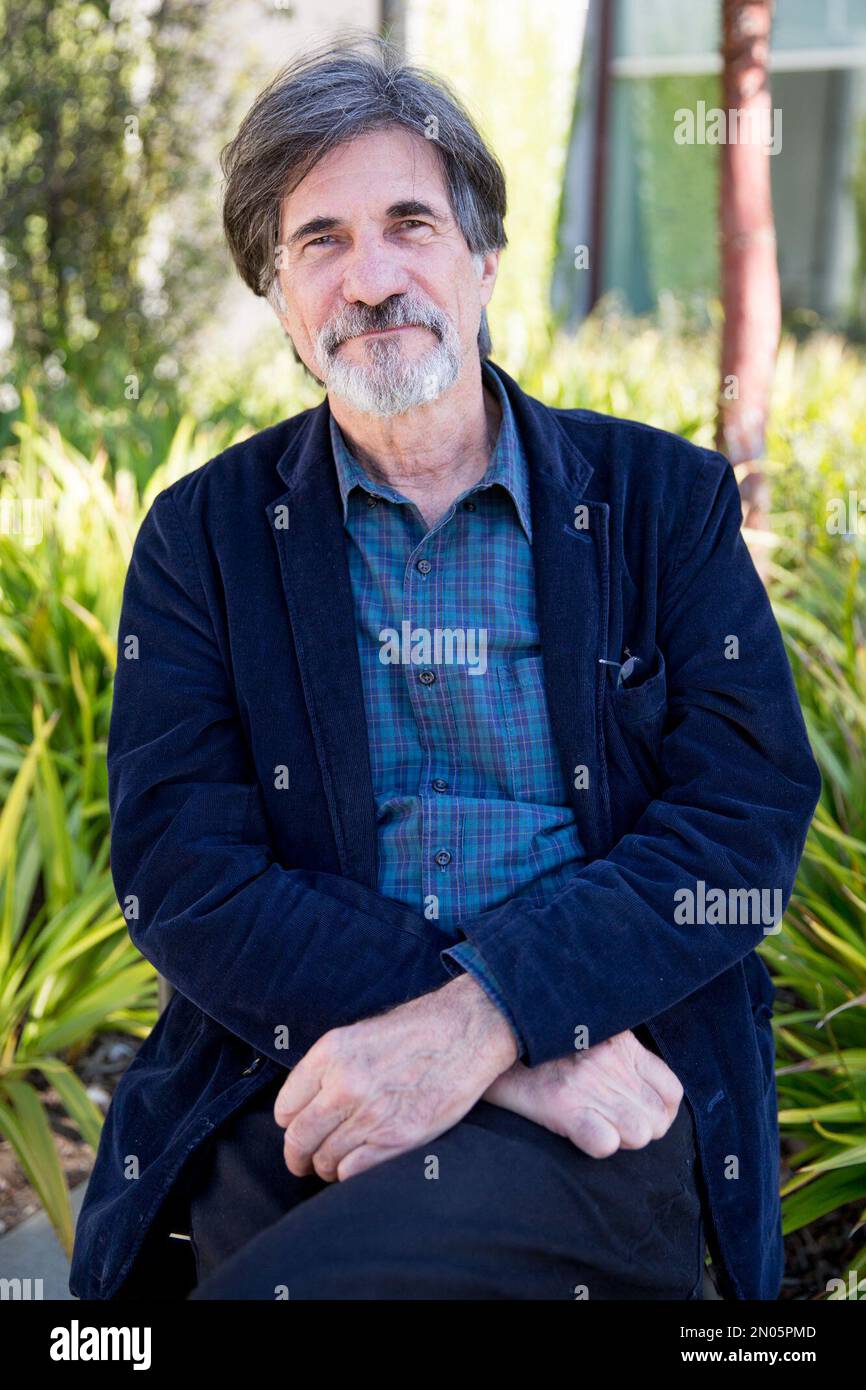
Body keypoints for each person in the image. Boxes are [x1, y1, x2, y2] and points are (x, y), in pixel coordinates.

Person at [70, 36, 821, 1303]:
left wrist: (491, 1024)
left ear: (481, 257)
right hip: (300, 1060)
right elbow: (183, 872)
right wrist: (495, 1038)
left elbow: (741, 827)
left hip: (611, 1072)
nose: (369, 278)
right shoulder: (202, 539)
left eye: (407, 223)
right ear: (277, 297)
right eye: (318, 242)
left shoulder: (656, 503)